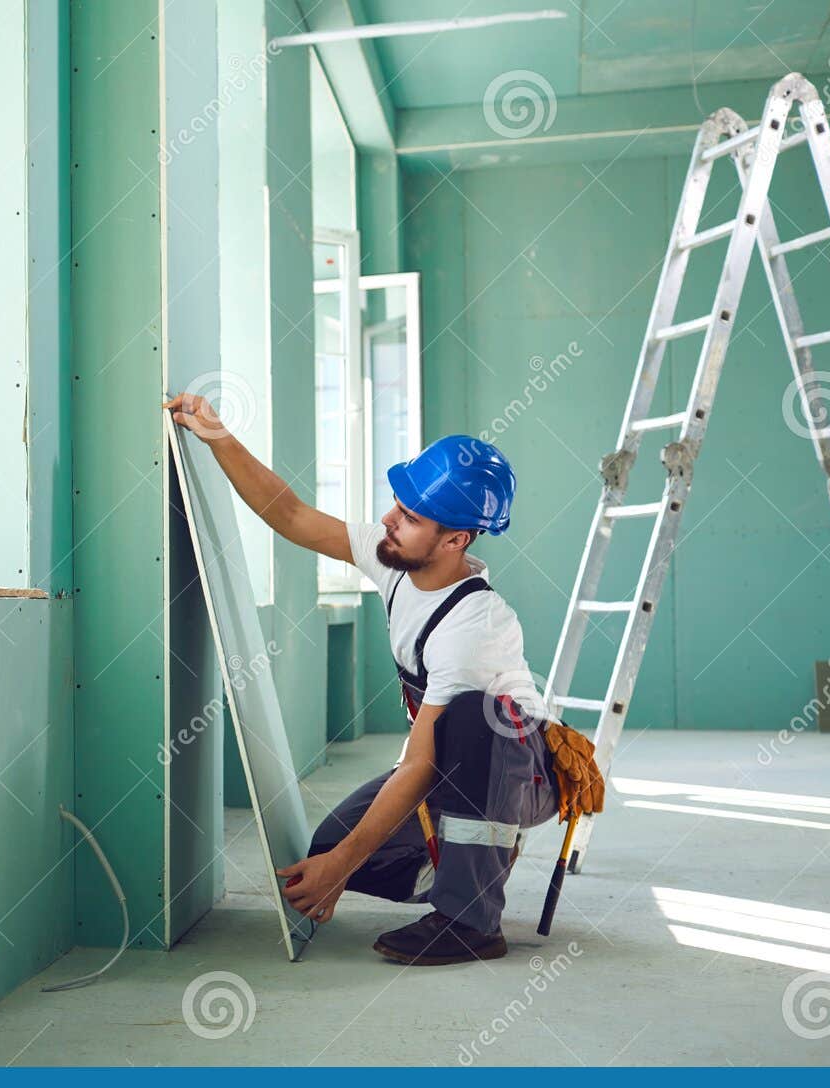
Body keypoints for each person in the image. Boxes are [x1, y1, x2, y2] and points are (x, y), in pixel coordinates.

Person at [163, 392, 558, 965]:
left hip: (520, 769)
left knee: (473, 719)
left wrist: (339, 871)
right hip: (451, 763)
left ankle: (470, 921)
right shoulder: (396, 556)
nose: (389, 522)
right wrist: (217, 435)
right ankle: (457, 864)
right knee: (328, 848)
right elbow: (293, 515)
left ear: (456, 540)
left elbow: (421, 763)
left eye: (410, 517)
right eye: (396, 504)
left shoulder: (475, 627)